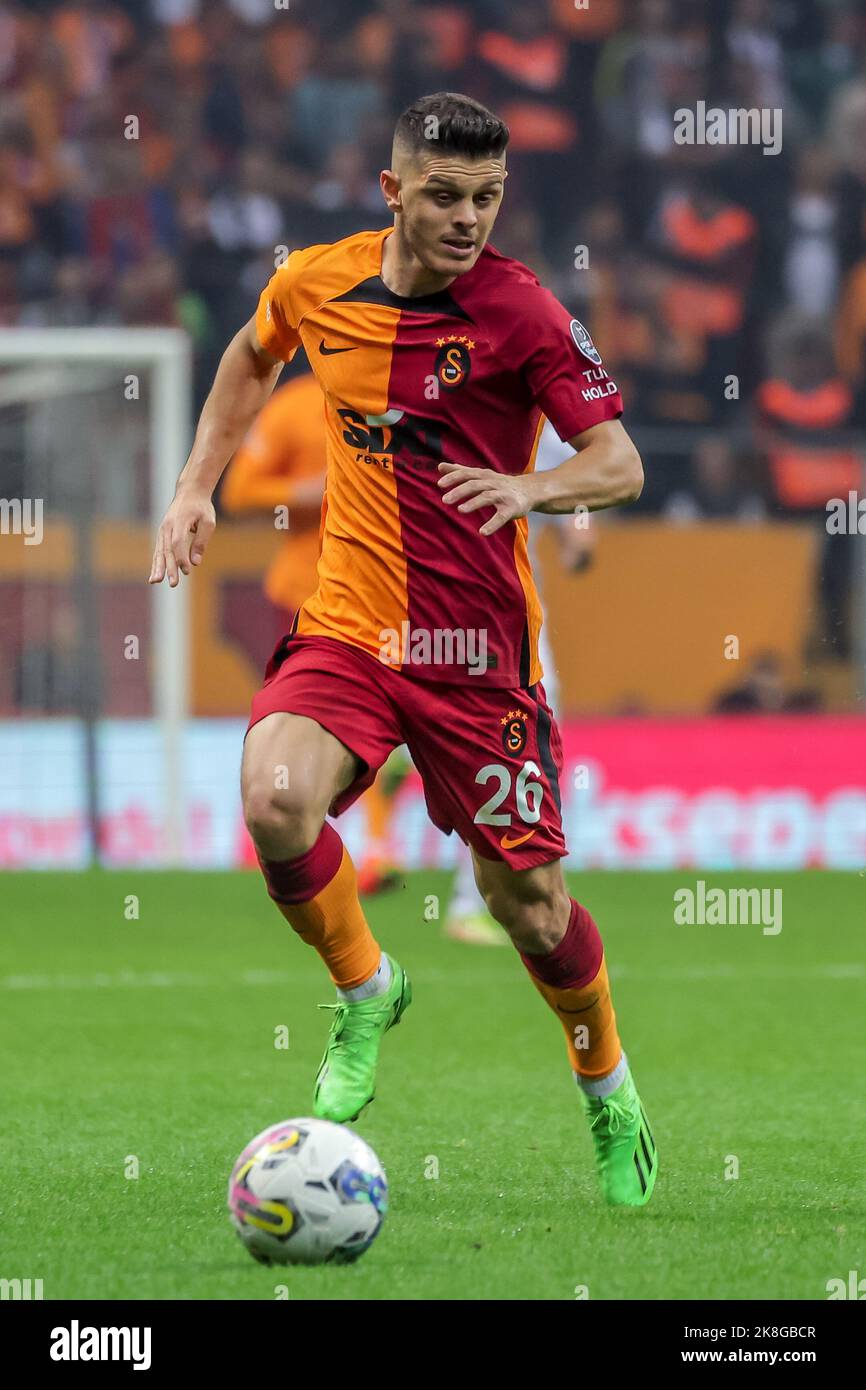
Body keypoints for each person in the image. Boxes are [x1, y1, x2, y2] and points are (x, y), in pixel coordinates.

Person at [149, 92, 655, 1207]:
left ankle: (606, 1086)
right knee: (274, 798)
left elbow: (617, 462)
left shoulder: (521, 313)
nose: (467, 216)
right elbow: (247, 354)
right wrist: (195, 486)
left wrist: (529, 485)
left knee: (529, 905)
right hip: (352, 625)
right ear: (391, 191)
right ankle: (366, 985)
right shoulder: (318, 282)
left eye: (485, 197)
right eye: (442, 194)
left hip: (476, 655)